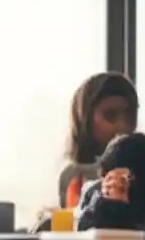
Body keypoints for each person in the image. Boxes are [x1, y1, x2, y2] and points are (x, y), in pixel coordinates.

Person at [58, 72, 139, 209]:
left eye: (130, 115)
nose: (122, 125)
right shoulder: (74, 176)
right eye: (110, 115)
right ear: (85, 120)